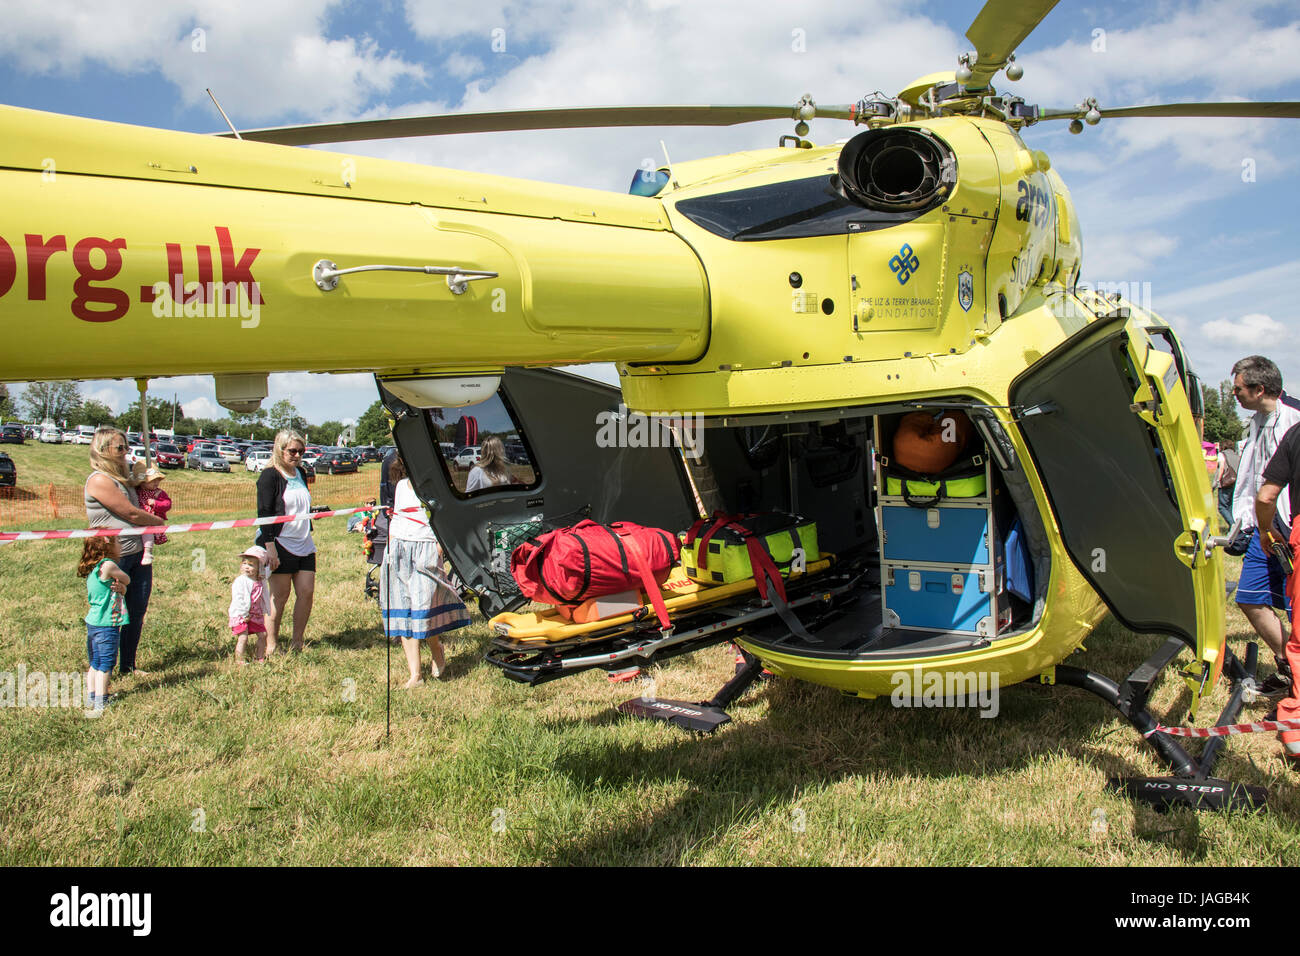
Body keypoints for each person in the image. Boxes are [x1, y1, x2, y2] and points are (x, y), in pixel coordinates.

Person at [1229, 355, 1300, 700]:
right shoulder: (1255, 422)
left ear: (1259, 389)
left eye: (1238, 389)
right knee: (1249, 599)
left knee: (1294, 608)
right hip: (1263, 527)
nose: (1234, 395)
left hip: (1288, 529)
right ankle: (1288, 667)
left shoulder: (1295, 418)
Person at [381, 454, 470, 687]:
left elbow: (446, 517)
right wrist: (390, 549)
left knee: (423, 606)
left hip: (426, 548)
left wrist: (439, 547)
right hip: (399, 547)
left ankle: (436, 649)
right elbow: (396, 517)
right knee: (404, 608)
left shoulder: (433, 486)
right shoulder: (400, 485)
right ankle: (415, 674)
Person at [85, 427, 165, 676]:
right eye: (120, 447)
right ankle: (101, 668)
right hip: (112, 559)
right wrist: (157, 521)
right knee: (110, 615)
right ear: (102, 449)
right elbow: (129, 513)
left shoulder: (125, 479)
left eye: (126, 447)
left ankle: (128, 666)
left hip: (138, 554)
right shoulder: (99, 479)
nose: (125, 451)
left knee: (136, 610)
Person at [255, 430, 316, 656]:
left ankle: (297, 642)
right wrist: (270, 548)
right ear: (280, 450)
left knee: (306, 592)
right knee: (279, 597)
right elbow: (264, 513)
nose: (297, 455)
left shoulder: (300, 472)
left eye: (301, 451)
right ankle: (271, 644)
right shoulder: (269, 476)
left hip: (304, 543)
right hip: (280, 543)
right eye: (292, 451)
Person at [79, 537, 130, 712]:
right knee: (105, 665)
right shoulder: (108, 565)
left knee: (94, 663)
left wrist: (121, 589)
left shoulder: (94, 567)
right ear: (107, 547)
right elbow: (127, 579)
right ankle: (102, 701)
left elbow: (119, 587)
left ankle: (91, 697)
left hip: (93, 623)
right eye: (118, 542)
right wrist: (124, 585)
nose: (120, 545)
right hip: (107, 625)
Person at [229, 545, 272, 665]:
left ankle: (259, 658)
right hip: (242, 613)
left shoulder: (260, 580)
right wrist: (243, 614)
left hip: (256, 613)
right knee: (243, 637)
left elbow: (269, 569)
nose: (247, 567)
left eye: (251, 565)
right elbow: (238, 598)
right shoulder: (240, 581)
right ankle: (239, 660)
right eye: (244, 563)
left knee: (263, 635)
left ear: (260, 568)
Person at [133, 463, 172, 566]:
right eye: (152, 480)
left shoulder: (159, 493)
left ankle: (147, 552)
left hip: (150, 519)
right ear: (142, 482)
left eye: (158, 480)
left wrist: (156, 503)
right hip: (137, 519)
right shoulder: (136, 492)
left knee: (148, 532)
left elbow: (167, 504)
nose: (156, 482)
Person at [1213, 441, 1239, 529]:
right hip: (1235, 483)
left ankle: (1233, 525)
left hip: (1226, 483)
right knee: (1231, 506)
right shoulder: (1236, 455)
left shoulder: (1221, 455)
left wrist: (1217, 481)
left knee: (1222, 507)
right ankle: (1233, 525)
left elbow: (1221, 469)